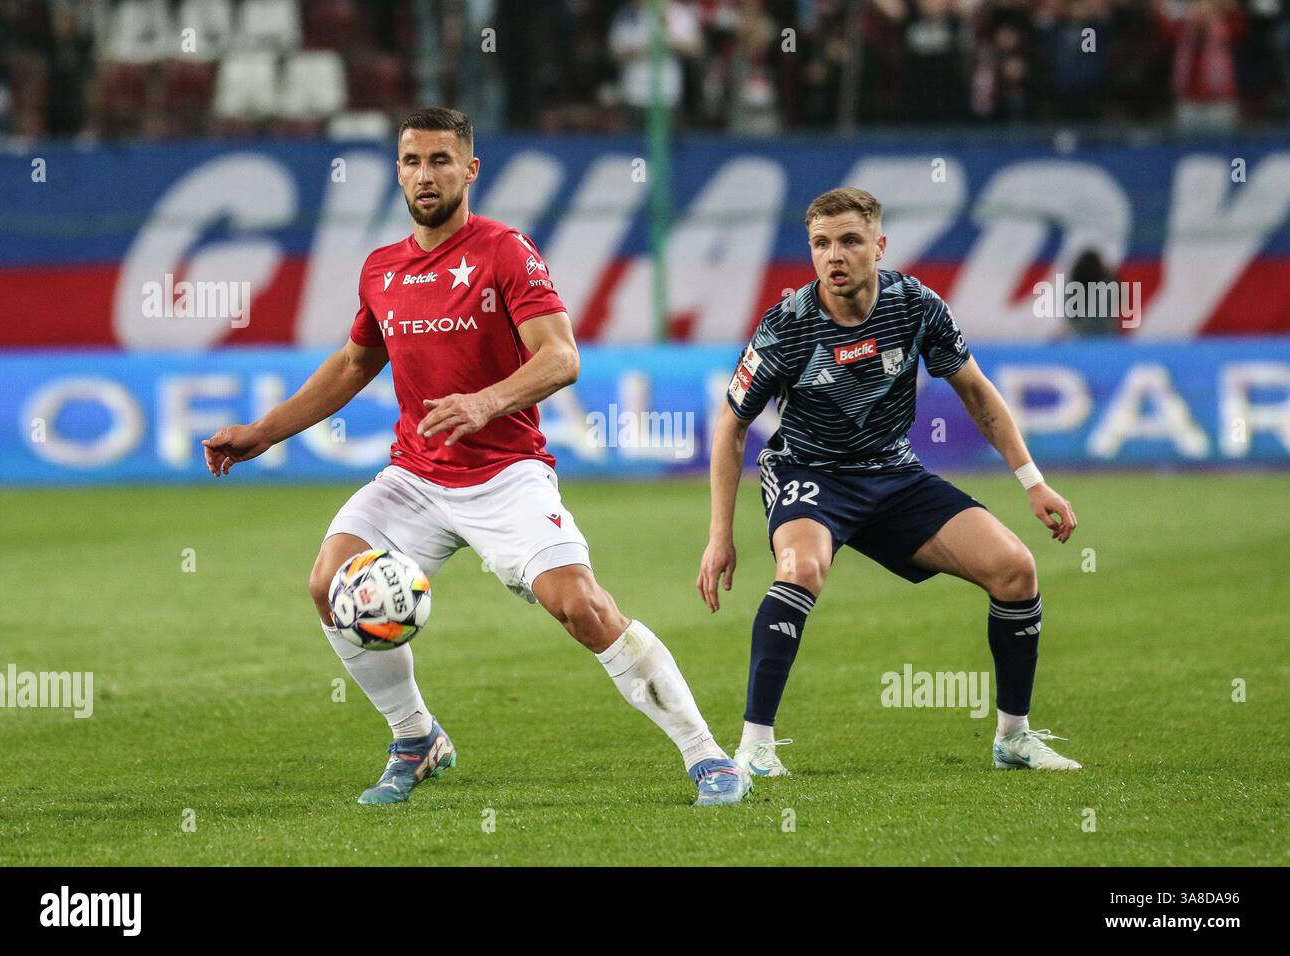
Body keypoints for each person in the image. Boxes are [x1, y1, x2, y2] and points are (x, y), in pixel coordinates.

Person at [203, 107, 750, 807]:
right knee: (328, 585)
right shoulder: (382, 268)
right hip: (416, 476)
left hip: (505, 474)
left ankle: (708, 756)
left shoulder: (505, 251)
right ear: (396, 171)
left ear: (470, 169)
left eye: (439, 160)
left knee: (580, 606)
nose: (424, 175)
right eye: (410, 161)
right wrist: (264, 431)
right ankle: (416, 737)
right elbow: (352, 364)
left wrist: (485, 402)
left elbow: (561, 357)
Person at [697, 186, 1082, 778]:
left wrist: (1033, 481)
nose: (835, 256)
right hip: (809, 473)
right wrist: (720, 534)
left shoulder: (916, 306)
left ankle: (1014, 738)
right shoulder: (788, 325)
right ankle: (756, 747)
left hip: (892, 473)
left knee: (1016, 570)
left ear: (879, 246)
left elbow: (976, 392)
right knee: (800, 569)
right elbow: (731, 422)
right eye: (821, 244)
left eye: (850, 241)